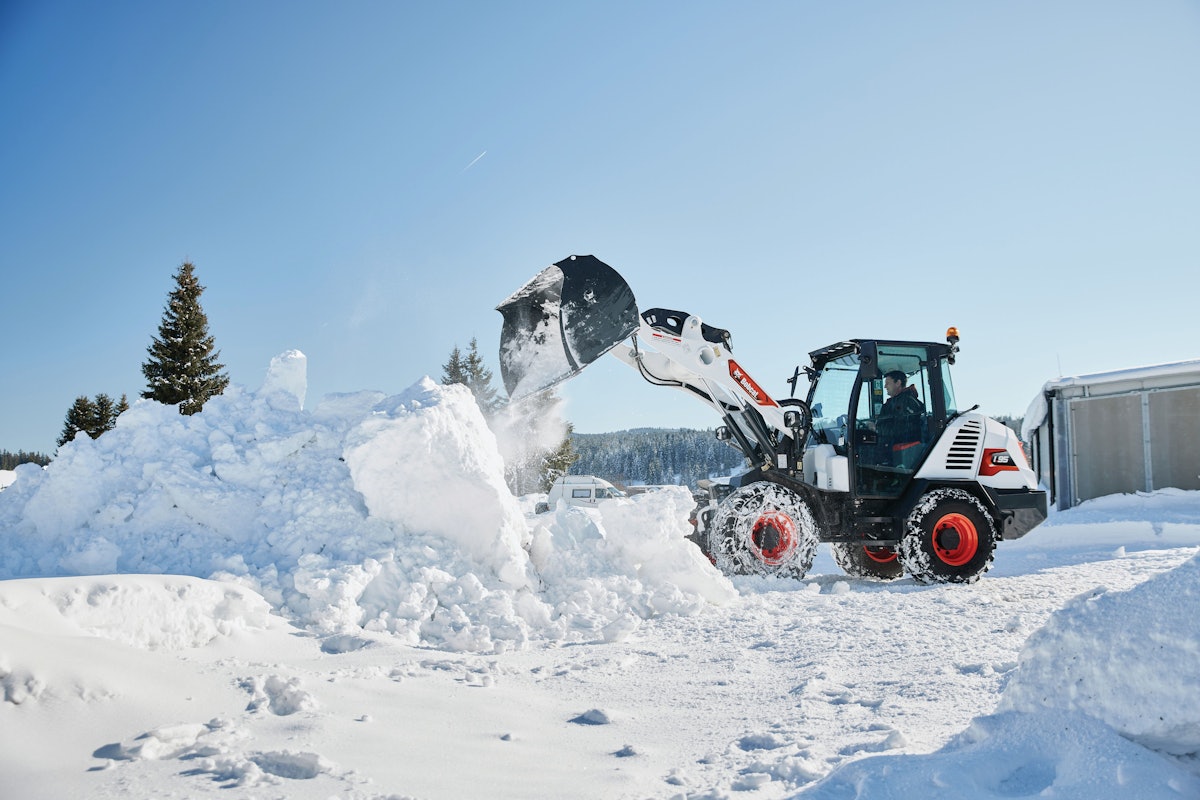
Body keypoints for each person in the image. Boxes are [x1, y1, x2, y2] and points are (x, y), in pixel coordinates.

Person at [876, 370, 925, 449]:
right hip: (892, 447)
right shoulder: (894, 402)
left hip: (905, 450)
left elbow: (902, 429)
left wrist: (877, 429)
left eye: (888, 383)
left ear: (898, 383)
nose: (885, 386)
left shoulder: (908, 402)